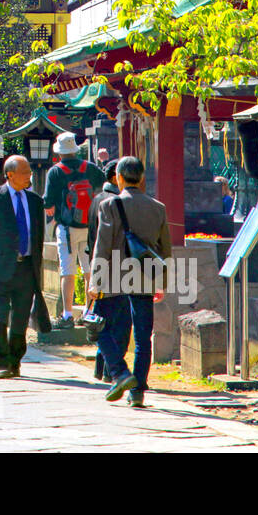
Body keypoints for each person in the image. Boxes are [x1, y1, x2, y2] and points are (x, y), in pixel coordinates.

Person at [88, 156, 172, 407]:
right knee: (143, 336)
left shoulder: (110, 205)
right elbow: (164, 250)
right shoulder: (158, 207)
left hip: (114, 276)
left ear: (119, 178)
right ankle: (138, 391)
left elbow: (102, 246)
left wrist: (95, 280)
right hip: (145, 277)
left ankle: (120, 372)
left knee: (99, 328)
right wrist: (162, 283)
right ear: (142, 177)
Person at [0, 155, 46, 379]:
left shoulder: (34, 200)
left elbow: (38, 236)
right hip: (0, 266)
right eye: (25, 172)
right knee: (1, 315)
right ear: (10, 174)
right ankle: (0, 361)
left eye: (30, 172)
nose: (29, 176)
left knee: (21, 319)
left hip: (26, 268)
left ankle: (15, 360)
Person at [43, 133, 106, 328]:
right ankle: (89, 312)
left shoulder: (55, 172)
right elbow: (103, 189)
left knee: (67, 271)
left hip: (67, 228)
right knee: (89, 271)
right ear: (75, 150)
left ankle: (67, 314)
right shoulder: (91, 168)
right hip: (90, 227)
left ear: (60, 153)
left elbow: (48, 203)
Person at [85, 159, 123, 381]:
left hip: (98, 265)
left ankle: (101, 368)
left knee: (102, 319)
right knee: (113, 323)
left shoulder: (96, 199)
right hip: (113, 268)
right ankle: (110, 371)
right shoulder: (114, 202)